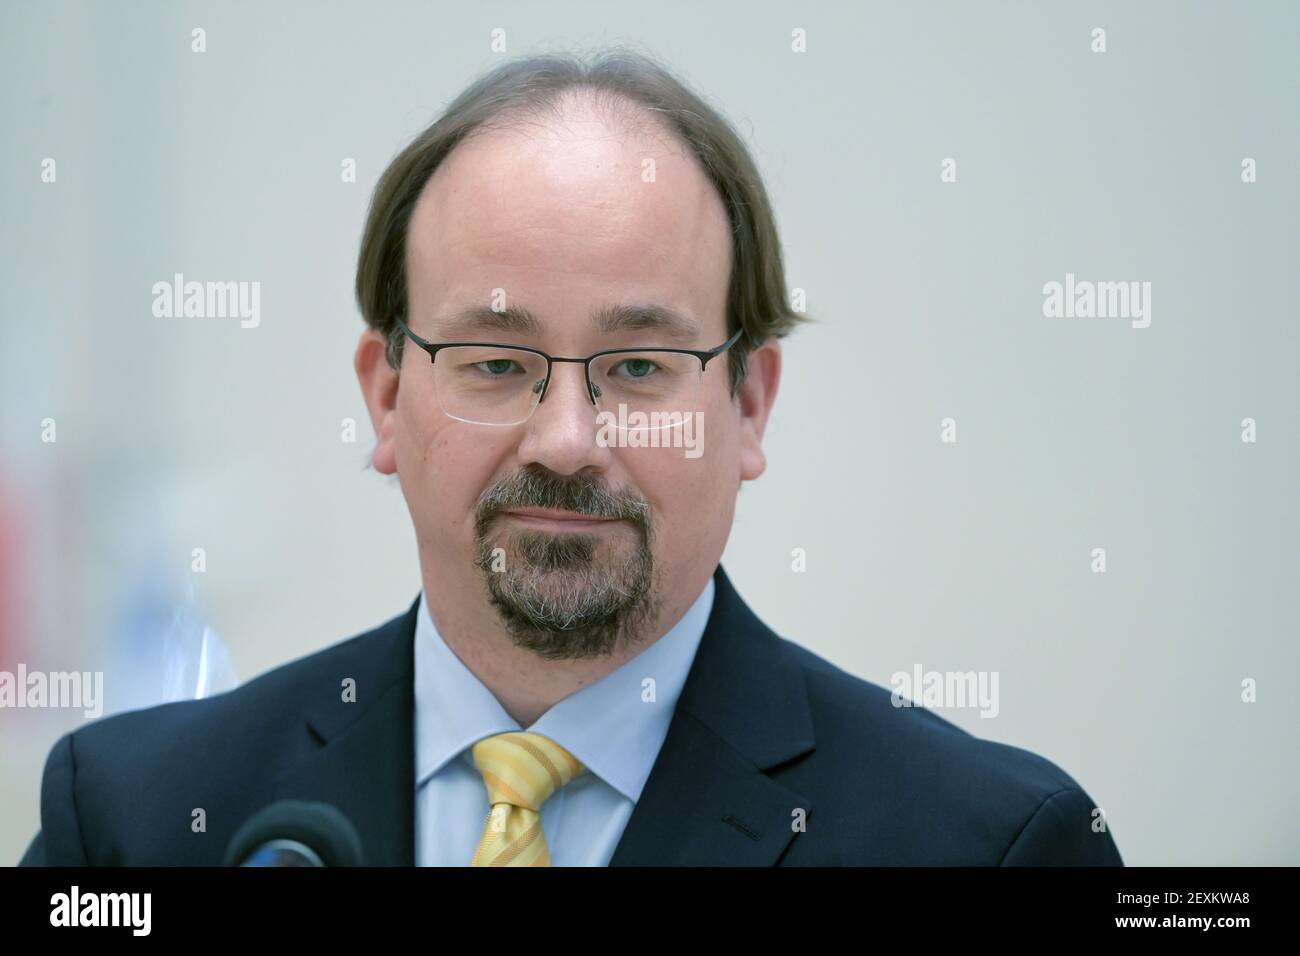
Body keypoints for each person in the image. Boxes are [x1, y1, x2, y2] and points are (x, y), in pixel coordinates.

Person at [19, 48, 1121, 866]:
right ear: (388, 395)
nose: (565, 439)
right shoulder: (134, 820)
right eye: (496, 362)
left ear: (748, 403)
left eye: (639, 366)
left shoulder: (987, 846)